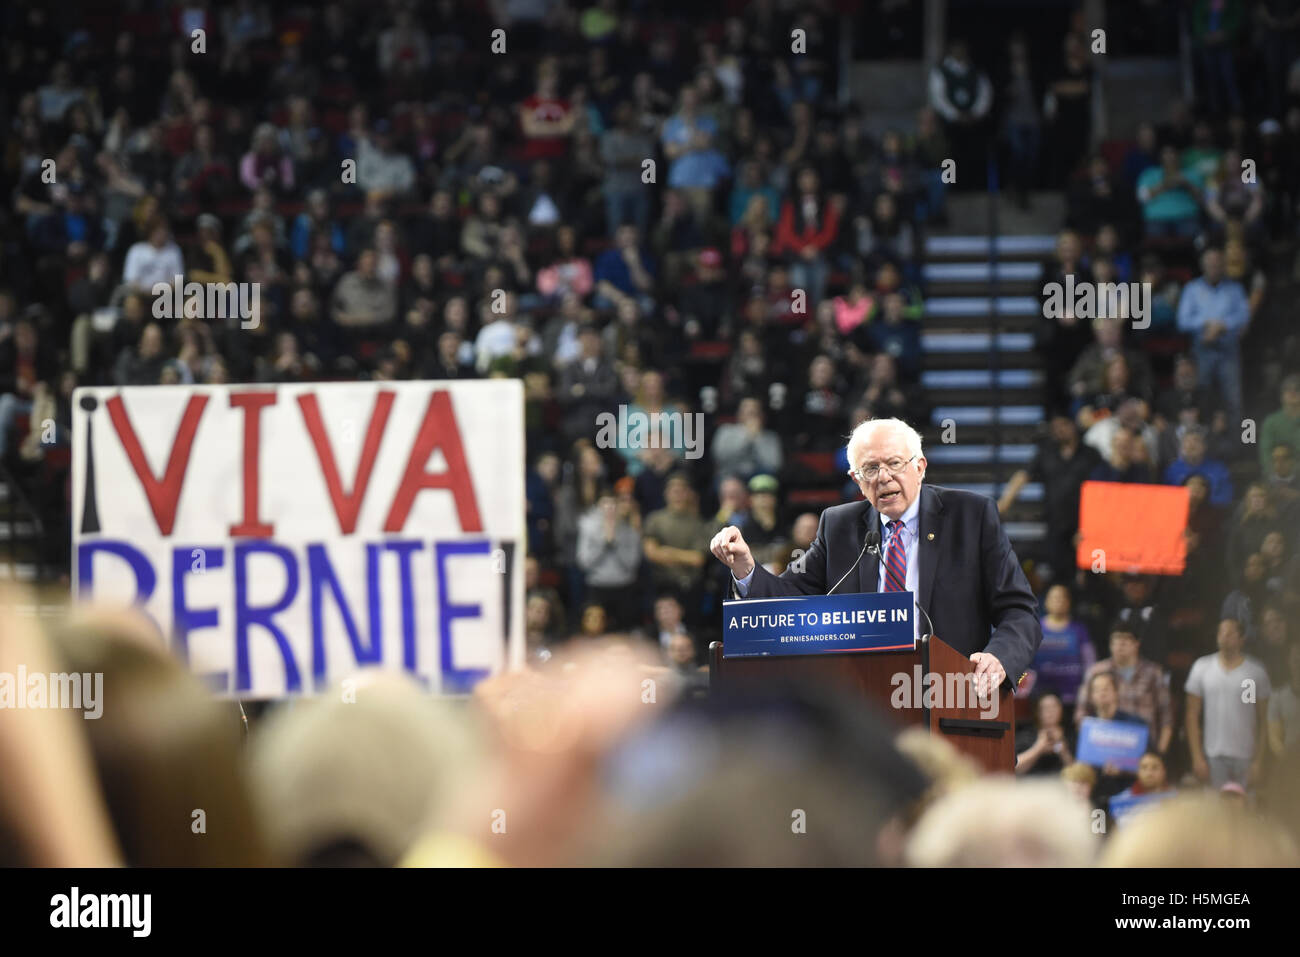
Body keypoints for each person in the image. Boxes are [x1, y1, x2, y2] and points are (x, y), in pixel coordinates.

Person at [711, 417, 1042, 690]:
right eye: (870, 468)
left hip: (951, 696)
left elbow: (1019, 611)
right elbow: (787, 602)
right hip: (863, 708)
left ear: (920, 467)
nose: (884, 477)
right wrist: (745, 567)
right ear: (856, 479)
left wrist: (998, 658)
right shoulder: (839, 526)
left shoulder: (971, 516)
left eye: (895, 463)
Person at [1186, 617, 1272, 788]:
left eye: (1230, 633)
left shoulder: (1255, 672)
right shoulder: (1202, 667)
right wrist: (1197, 757)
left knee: (1245, 810)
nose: (1224, 636)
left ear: (1242, 639)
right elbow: (1192, 714)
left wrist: (1258, 761)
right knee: (1215, 811)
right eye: (1221, 632)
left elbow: (1264, 719)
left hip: (1246, 755)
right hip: (1213, 755)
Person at [1075, 616, 1174, 755]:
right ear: (1110, 644)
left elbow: (1166, 719)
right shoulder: (1096, 672)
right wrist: (1092, 749)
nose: (1120, 644)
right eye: (1116, 639)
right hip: (1104, 748)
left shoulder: (1153, 673)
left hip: (1144, 751)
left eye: (1126, 639)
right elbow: (1082, 715)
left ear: (1137, 643)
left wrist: (1159, 754)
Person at [1015, 692, 1075, 776]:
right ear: (1038, 712)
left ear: (1061, 709)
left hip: (1062, 785)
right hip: (1031, 785)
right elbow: (1014, 768)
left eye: (1054, 707)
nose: (1050, 712)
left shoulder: (1071, 735)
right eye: (1045, 708)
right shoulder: (1027, 735)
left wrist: (1063, 749)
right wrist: (1039, 748)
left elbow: (1078, 773)